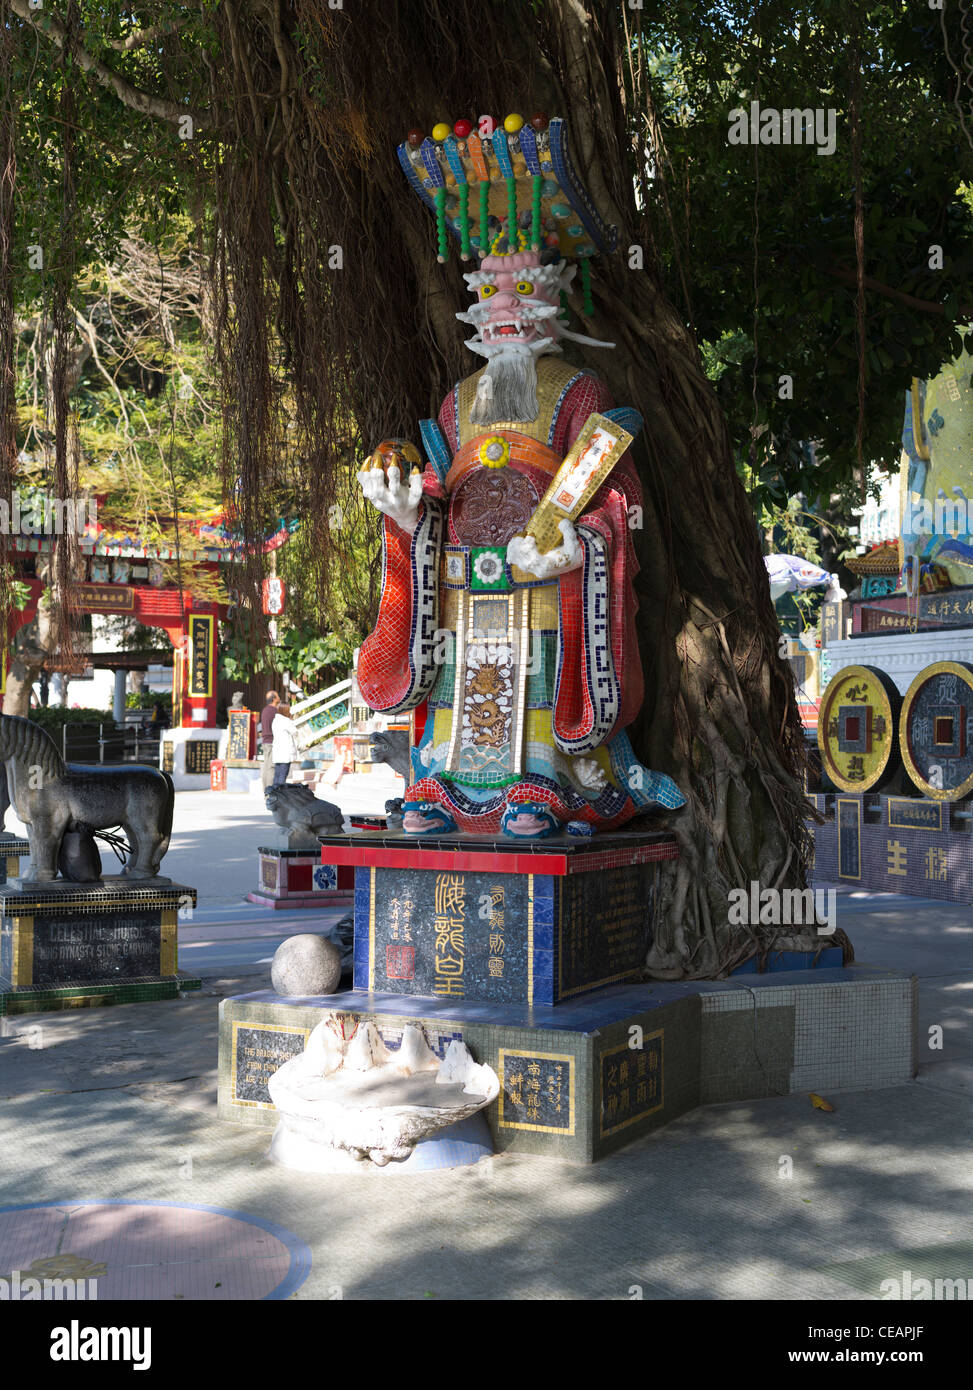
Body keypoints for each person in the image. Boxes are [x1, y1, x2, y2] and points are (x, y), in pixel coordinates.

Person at [270, 702, 300, 787]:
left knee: (277, 775)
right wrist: (291, 720)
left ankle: (273, 795)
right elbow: (295, 732)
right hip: (285, 752)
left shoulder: (275, 720)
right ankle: (280, 796)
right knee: (283, 776)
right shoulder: (286, 721)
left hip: (277, 750)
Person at [260, 690, 281, 788]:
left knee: (266, 767)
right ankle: (269, 791)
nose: (279, 698)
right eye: (277, 696)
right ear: (274, 699)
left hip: (265, 741)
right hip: (272, 742)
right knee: (271, 768)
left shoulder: (265, 710)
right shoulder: (274, 711)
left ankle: (266, 790)